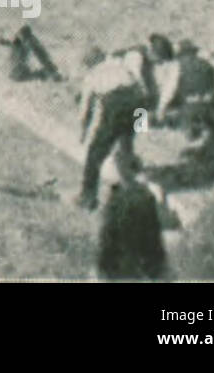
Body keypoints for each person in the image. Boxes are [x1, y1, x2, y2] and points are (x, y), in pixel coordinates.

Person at [78, 44, 157, 210]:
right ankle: (132, 184)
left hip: (116, 104)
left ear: (88, 64)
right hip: (137, 101)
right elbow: (138, 84)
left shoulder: (91, 77)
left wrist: (83, 132)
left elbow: (86, 110)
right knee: (127, 145)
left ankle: (87, 197)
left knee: (95, 153)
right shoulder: (118, 63)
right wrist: (142, 125)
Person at [96, 151, 168, 281]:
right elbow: (153, 239)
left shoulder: (117, 202)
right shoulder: (147, 197)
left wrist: (103, 269)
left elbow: (108, 239)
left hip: (120, 270)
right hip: (141, 268)